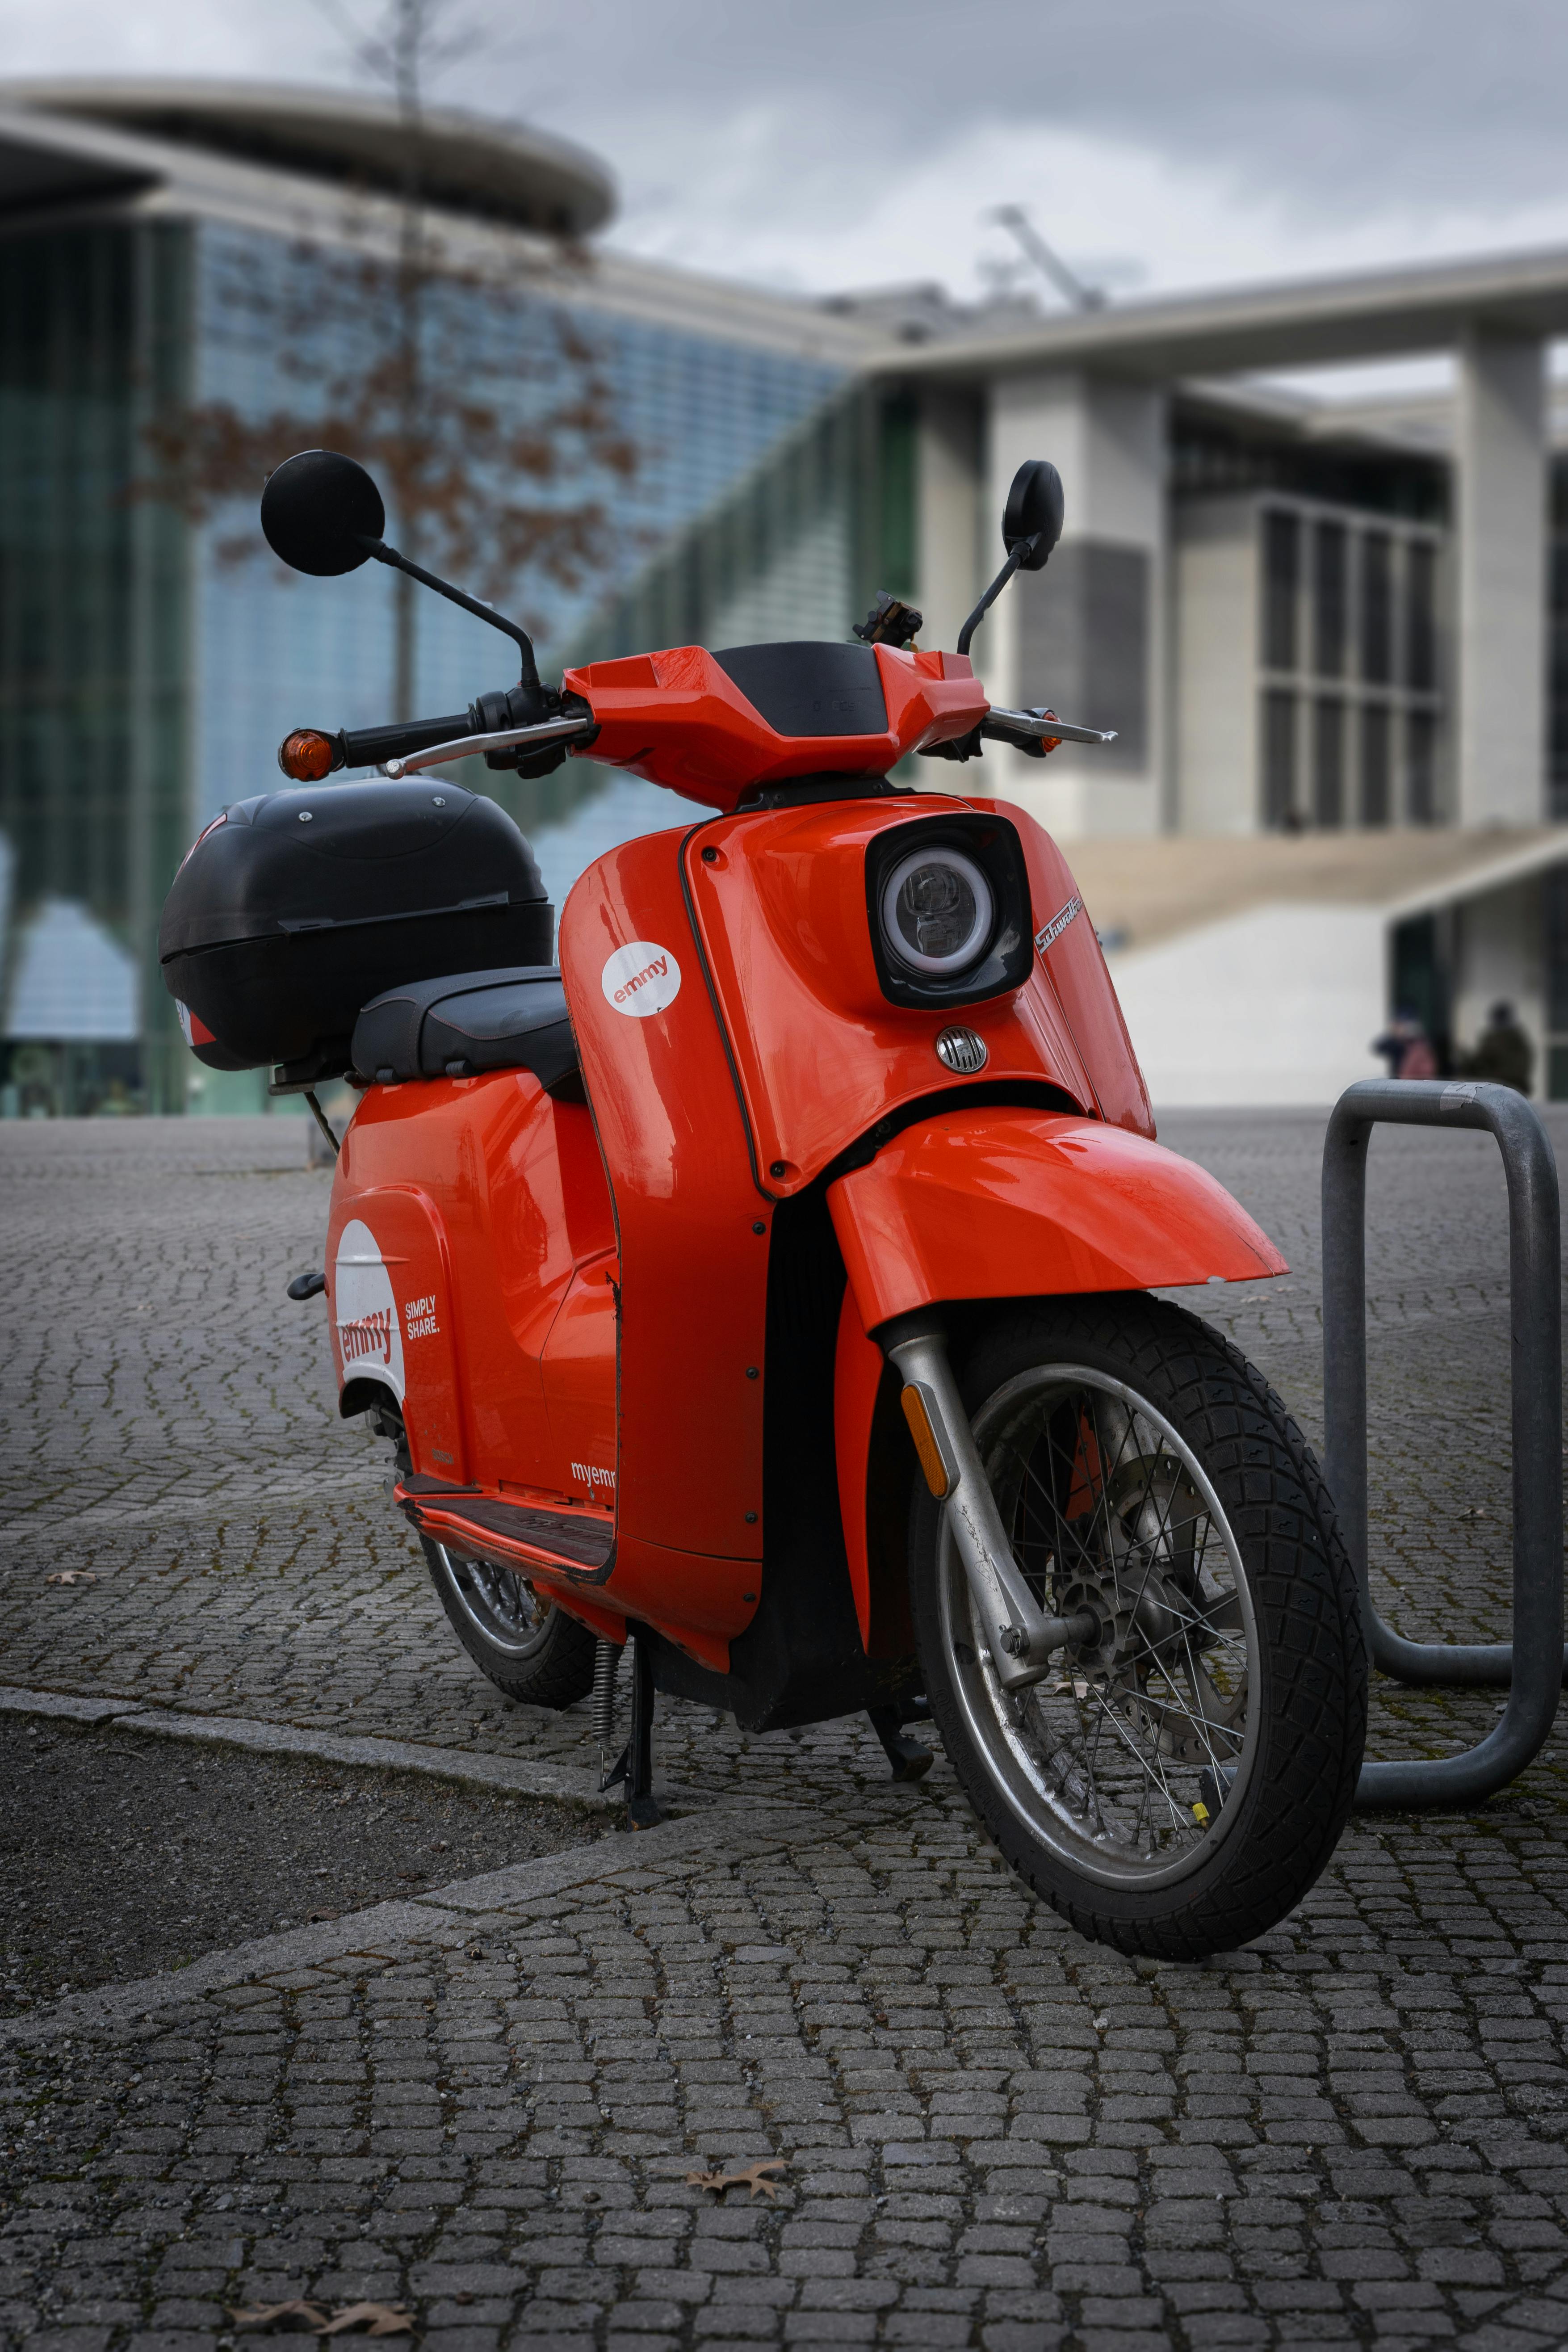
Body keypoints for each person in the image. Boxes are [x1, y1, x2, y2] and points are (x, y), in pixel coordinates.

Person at [1464, 1000, 1534, 1094]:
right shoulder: (1492, 1038)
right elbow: (1481, 1061)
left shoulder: (1515, 1040)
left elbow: (1517, 1069)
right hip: (1495, 1086)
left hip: (1509, 1087)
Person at [1371, 1011, 1438, 1080]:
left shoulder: (1419, 1046)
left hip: (1414, 1082)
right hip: (1401, 1080)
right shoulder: (1396, 1044)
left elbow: (1427, 1070)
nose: (1400, 1029)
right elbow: (1379, 1048)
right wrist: (1392, 1034)